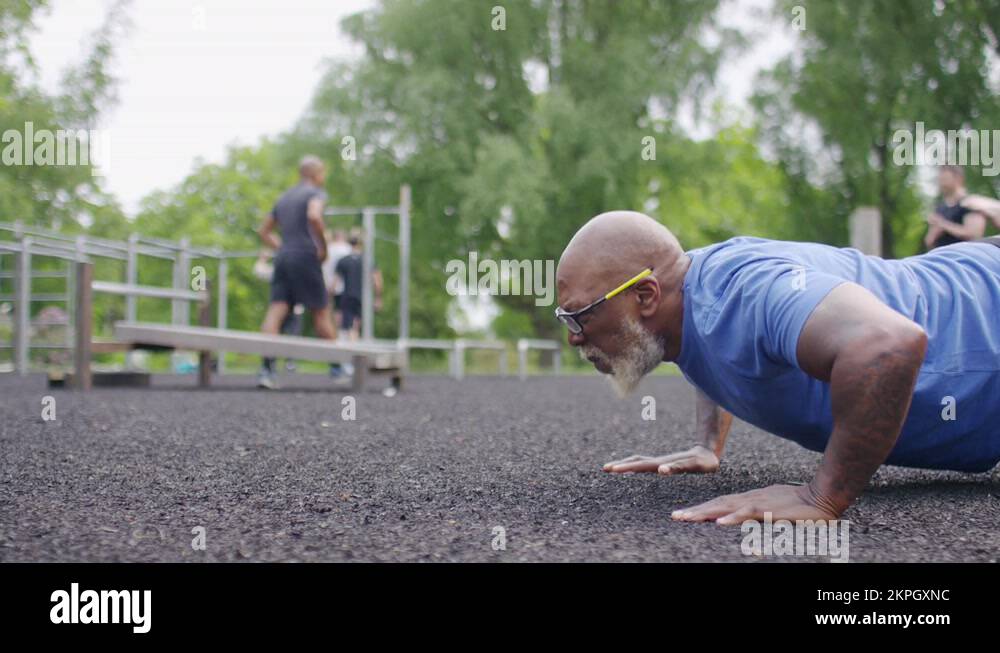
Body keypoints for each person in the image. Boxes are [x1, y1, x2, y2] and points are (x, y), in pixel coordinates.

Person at [556, 211, 1000, 524]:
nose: (575, 336)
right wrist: (707, 444)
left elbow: (889, 345)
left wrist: (822, 497)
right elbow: (707, 343)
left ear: (647, 296)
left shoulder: (746, 290)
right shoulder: (683, 305)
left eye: (582, 315)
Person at [255, 156, 338, 389]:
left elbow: (264, 231)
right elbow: (314, 216)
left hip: (284, 258)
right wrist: (322, 247)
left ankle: (267, 370)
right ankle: (338, 366)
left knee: (276, 310)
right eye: (323, 174)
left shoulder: (284, 197)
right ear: (316, 174)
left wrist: (281, 248)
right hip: (305, 256)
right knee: (321, 311)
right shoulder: (316, 194)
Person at [334, 229, 383, 340]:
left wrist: (329, 298)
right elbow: (377, 281)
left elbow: (334, 284)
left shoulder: (343, 261)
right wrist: (378, 298)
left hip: (347, 296)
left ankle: (348, 350)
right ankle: (352, 350)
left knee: (346, 327)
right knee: (355, 327)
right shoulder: (368, 260)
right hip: (363, 297)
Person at [924, 165, 987, 250]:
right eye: (940, 179)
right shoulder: (940, 208)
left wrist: (943, 224)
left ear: (958, 178)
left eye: (944, 179)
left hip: (964, 258)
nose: (941, 183)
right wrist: (933, 233)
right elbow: (929, 242)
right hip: (941, 258)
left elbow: (975, 235)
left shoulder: (971, 203)